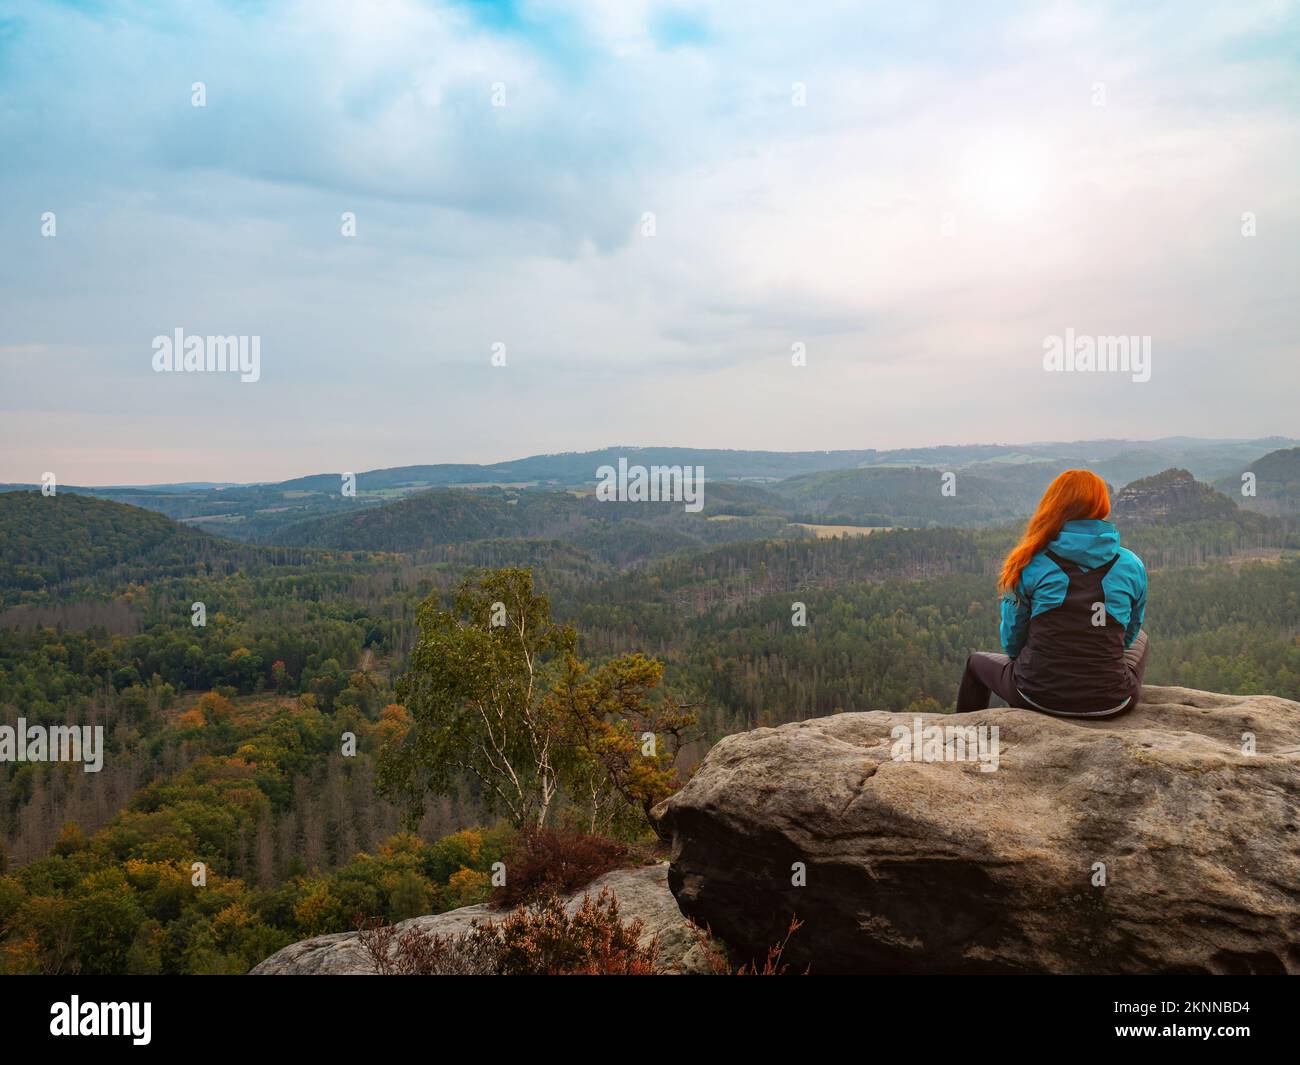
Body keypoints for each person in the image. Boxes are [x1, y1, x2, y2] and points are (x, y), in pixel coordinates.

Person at [956, 469, 1149, 717]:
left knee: (975, 663)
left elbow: (1013, 640)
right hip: (1111, 701)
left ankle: (962, 741)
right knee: (1142, 637)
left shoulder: (1028, 562)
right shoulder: (1131, 564)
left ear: (1054, 505)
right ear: (1101, 506)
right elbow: (1129, 634)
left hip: (1035, 695)